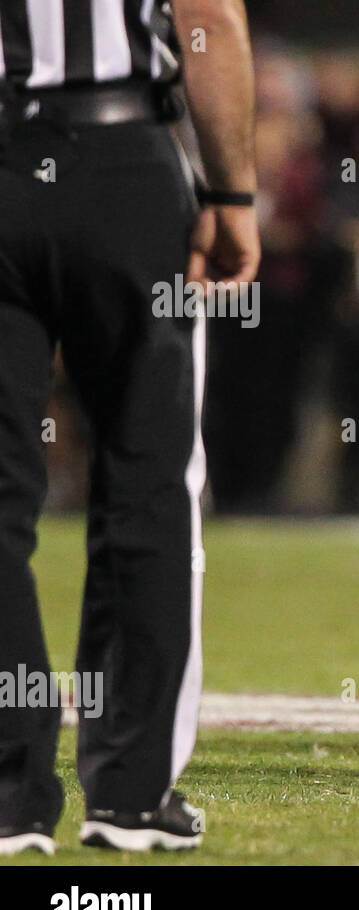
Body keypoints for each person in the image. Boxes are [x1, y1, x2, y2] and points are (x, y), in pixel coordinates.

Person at [0, 0, 259, 854]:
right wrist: (231, 191)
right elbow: (208, 19)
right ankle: (129, 792)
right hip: (123, 165)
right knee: (145, 486)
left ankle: (10, 793)